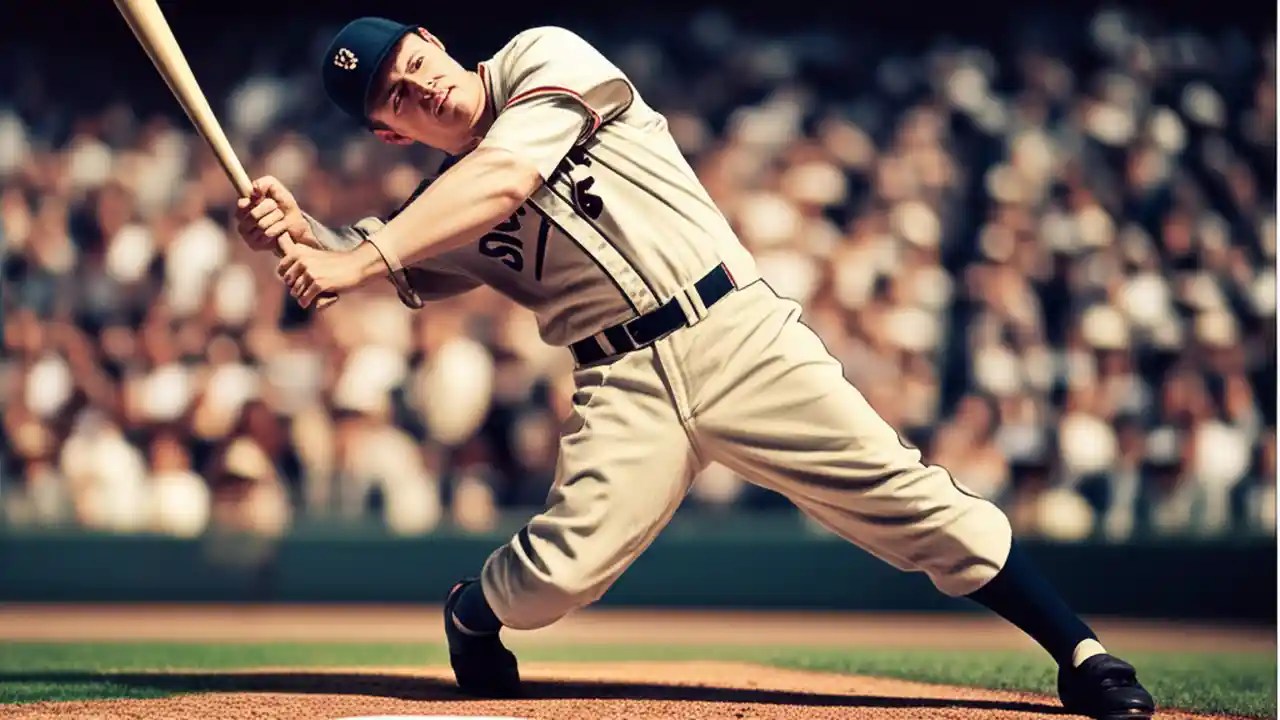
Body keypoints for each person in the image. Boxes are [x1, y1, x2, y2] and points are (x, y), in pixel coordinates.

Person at [233, 16, 1156, 718]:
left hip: (739, 336)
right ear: (389, 132)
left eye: (413, 61)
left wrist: (352, 256)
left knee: (906, 498)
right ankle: (474, 612)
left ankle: (1079, 654)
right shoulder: (438, 207)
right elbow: (369, 264)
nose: (417, 85)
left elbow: (500, 180)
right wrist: (293, 232)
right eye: (394, 95)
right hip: (623, 381)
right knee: (555, 579)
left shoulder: (542, 57)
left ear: (435, 40)